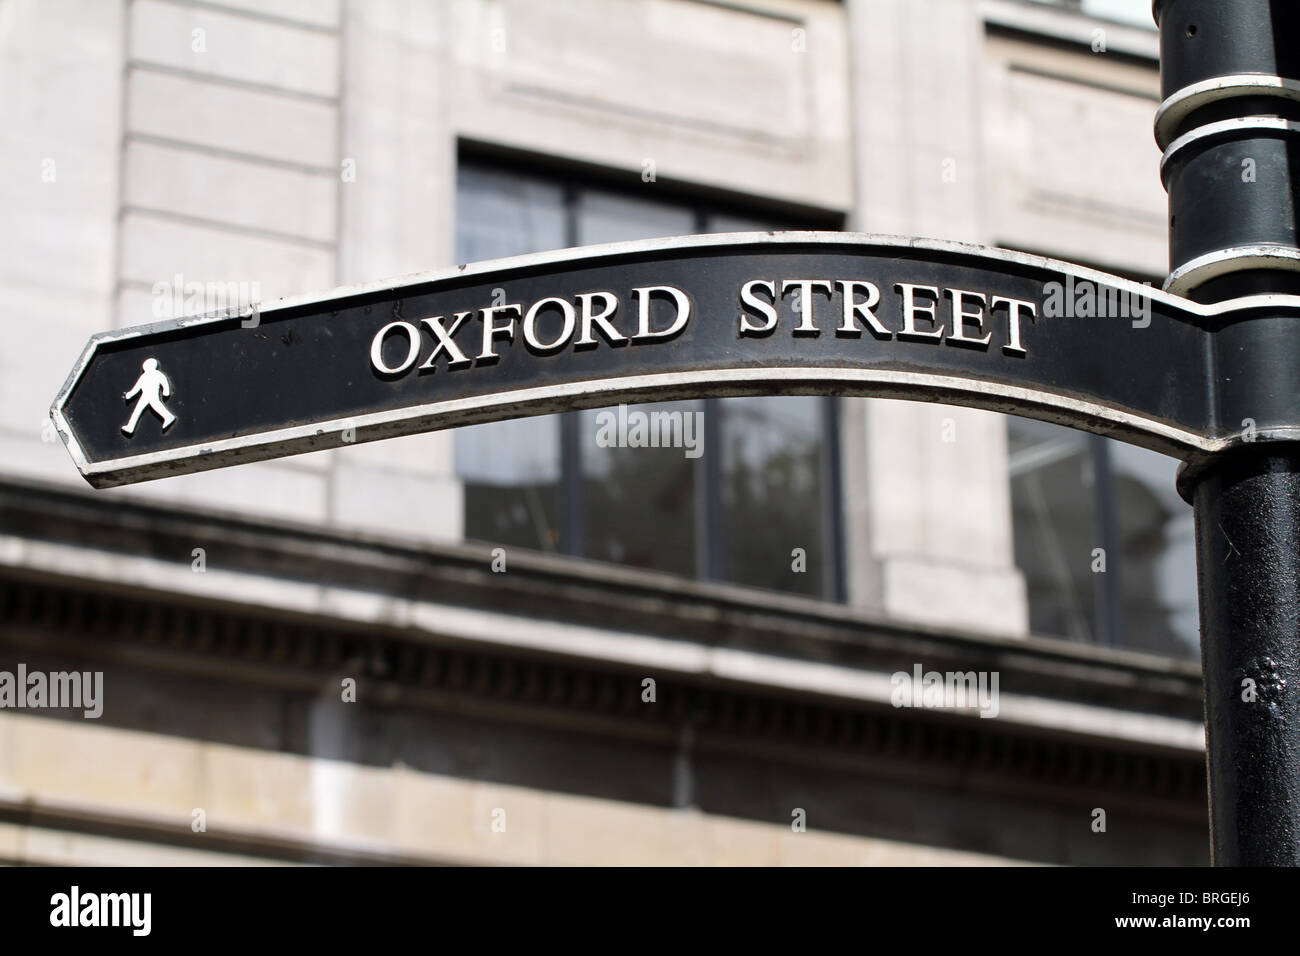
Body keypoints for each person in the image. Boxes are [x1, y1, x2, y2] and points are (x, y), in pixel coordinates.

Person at [122, 357, 176, 435]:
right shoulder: (144, 376)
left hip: (152, 395)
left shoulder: (156, 374)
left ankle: (168, 417)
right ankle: (130, 427)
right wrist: (130, 394)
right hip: (145, 395)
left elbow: (164, 382)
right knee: (138, 410)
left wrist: (166, 391)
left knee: (155, 406)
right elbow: (137, 387)